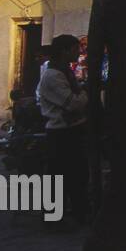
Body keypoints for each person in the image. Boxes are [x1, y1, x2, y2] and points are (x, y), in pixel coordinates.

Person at [36, 33, 90, 225]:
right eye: (76, 49)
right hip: (61, 133)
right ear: (65, 51)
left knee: (76, 174)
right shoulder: (52, 76)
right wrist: (86, 92)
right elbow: (73, 104)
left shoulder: (64, 72)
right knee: (58, 177)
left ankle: (78, 213)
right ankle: (53, 218)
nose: (79, 52)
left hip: (71, 130)